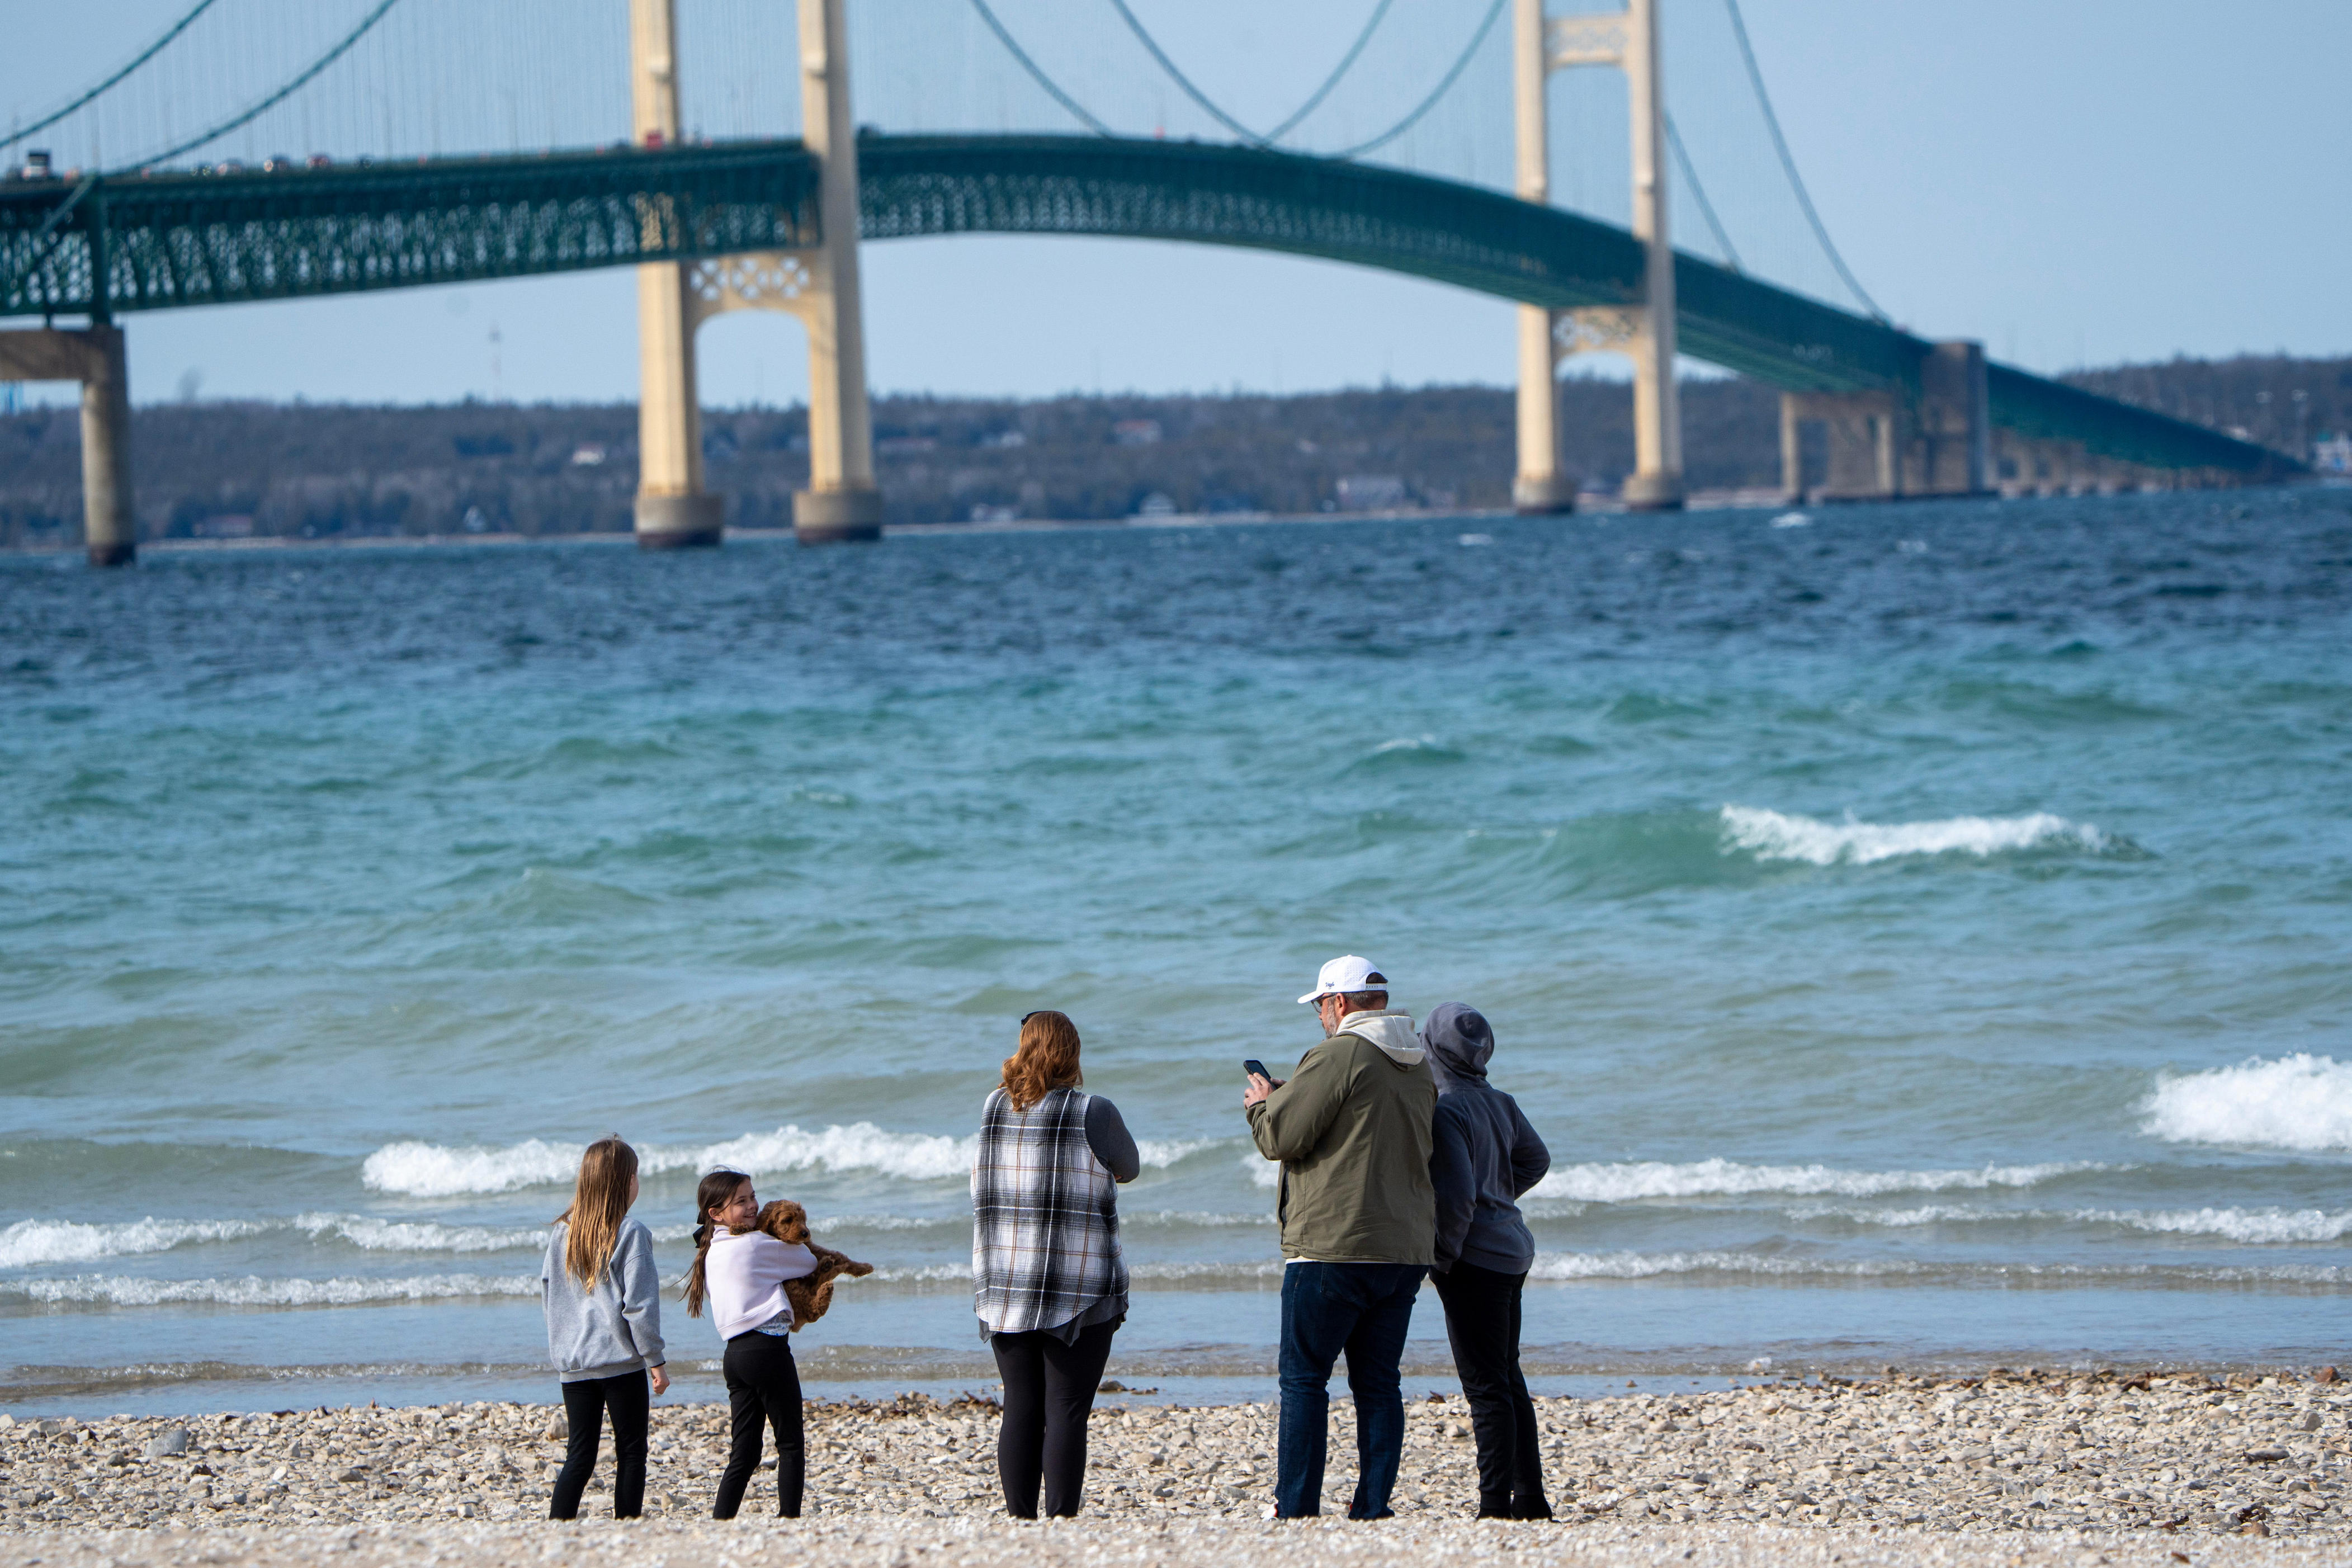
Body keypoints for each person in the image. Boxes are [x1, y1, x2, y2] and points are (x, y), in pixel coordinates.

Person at [1243, 955, 1436, 1521]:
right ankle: (1373, 1504)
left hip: (1332, 1243)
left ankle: (1297, 1507)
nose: (1320, 1017)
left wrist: (1261, 1107)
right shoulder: (1418, 1061)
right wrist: (1293, 1092)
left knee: (1304, 1379)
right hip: (1403, 1246)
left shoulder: (1339, 1052)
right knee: (1379, 1381)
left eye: (1320, 1006)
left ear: (1341, 1003)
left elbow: (1281, 1135)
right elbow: (1358, 1120)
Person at [971, 1009, 1139, 1518]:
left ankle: (1020, 1521)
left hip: (1005, 1284)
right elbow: (1128, 1169)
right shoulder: (1094, 1110)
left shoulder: (993, 1107)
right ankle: (1062, 1523)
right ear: (1073, 1053)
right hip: (1078, 1286)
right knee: (1066, 1410)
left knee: (1020, 1405)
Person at [1422, 1002, 1554, 1520]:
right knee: (1507, 1375)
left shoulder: (1446, 1107)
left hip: (1474, 1259)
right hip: (1512, 1249)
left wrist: (1442, 1257)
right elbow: (1536, 1159)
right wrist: (1500, 1195)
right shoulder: (1500, 1101)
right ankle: (1532, 1496)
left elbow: (1454, 1199)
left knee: (1485, 1384)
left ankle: (1496, 1504)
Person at [541, 1135, 669, 1520]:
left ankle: (555, 1530)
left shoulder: (562, 1233)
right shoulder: (631, 1233)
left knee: (579, 1455)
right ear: (625, 1182)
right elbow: (640, 1306)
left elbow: (551, 1298)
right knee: (632, 1451)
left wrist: (561, 1348)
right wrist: (655, 1360)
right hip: (620, 1363)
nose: (638, 1183)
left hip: (574, 1363)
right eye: (636, 1176)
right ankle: (626, 1529)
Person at [683, 1168, 818, 1519]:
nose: (752, 1206)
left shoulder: (711, 1250)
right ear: (716, 1213)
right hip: (768, 1350)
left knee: (744, 1452)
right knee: (790, 1443)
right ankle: (789, 1520)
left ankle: (721, 1520)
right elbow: (808, 1261)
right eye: (741, 1201)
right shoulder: (757, 1244)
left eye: (753, 1197)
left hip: (735, 1357)